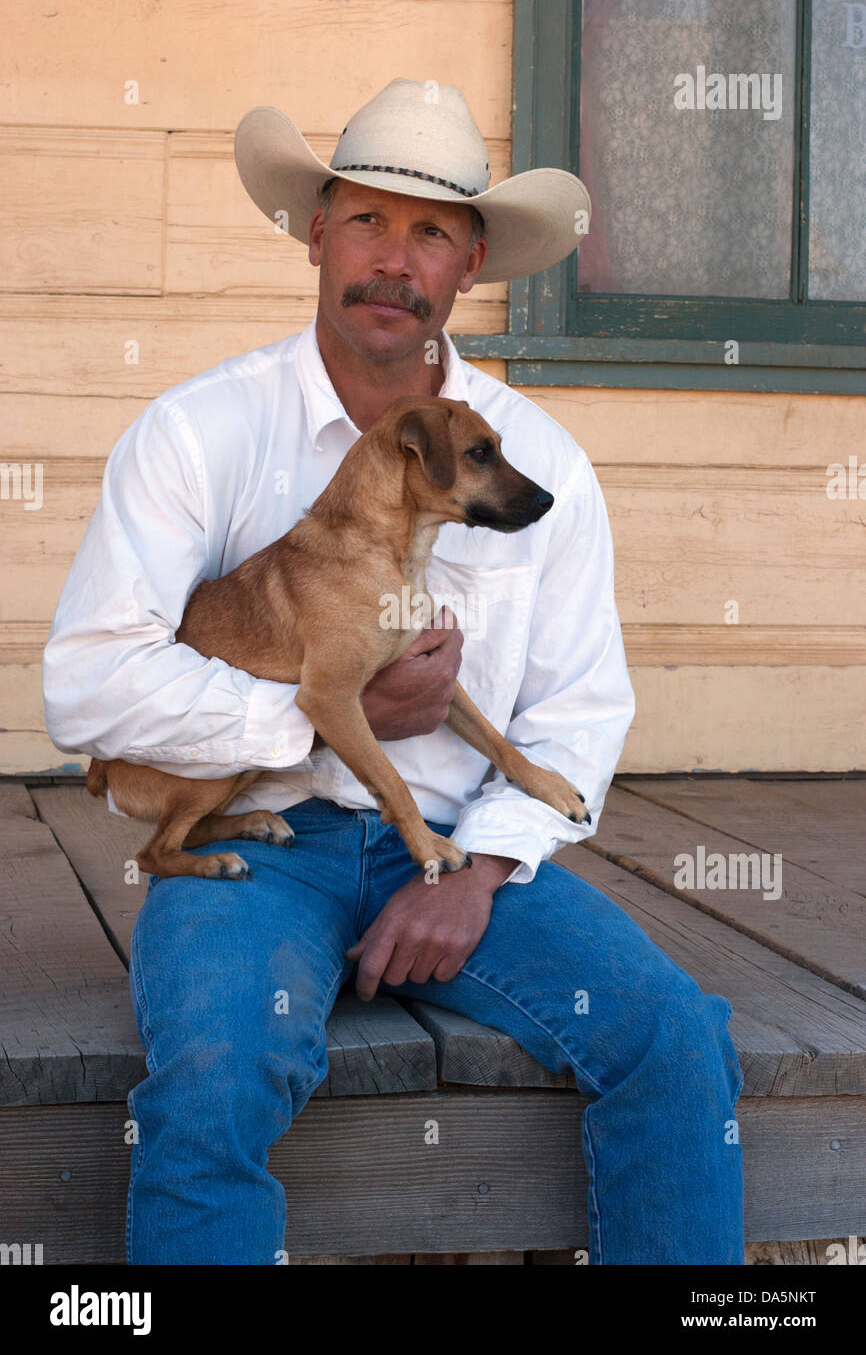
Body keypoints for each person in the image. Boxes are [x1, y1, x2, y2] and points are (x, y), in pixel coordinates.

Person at [42, 78, 744, 1265]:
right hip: (259, 848)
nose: (392, 259)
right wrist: (314, 722)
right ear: (314, 233)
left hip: (465, 848)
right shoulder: (198, 433)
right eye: (365, 219)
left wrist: (476, 873)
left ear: (470, 261)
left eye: (429, 231)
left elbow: (578, 708)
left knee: (674, 1038)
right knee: (217, 1069)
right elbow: (89, 687)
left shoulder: (540, 465)